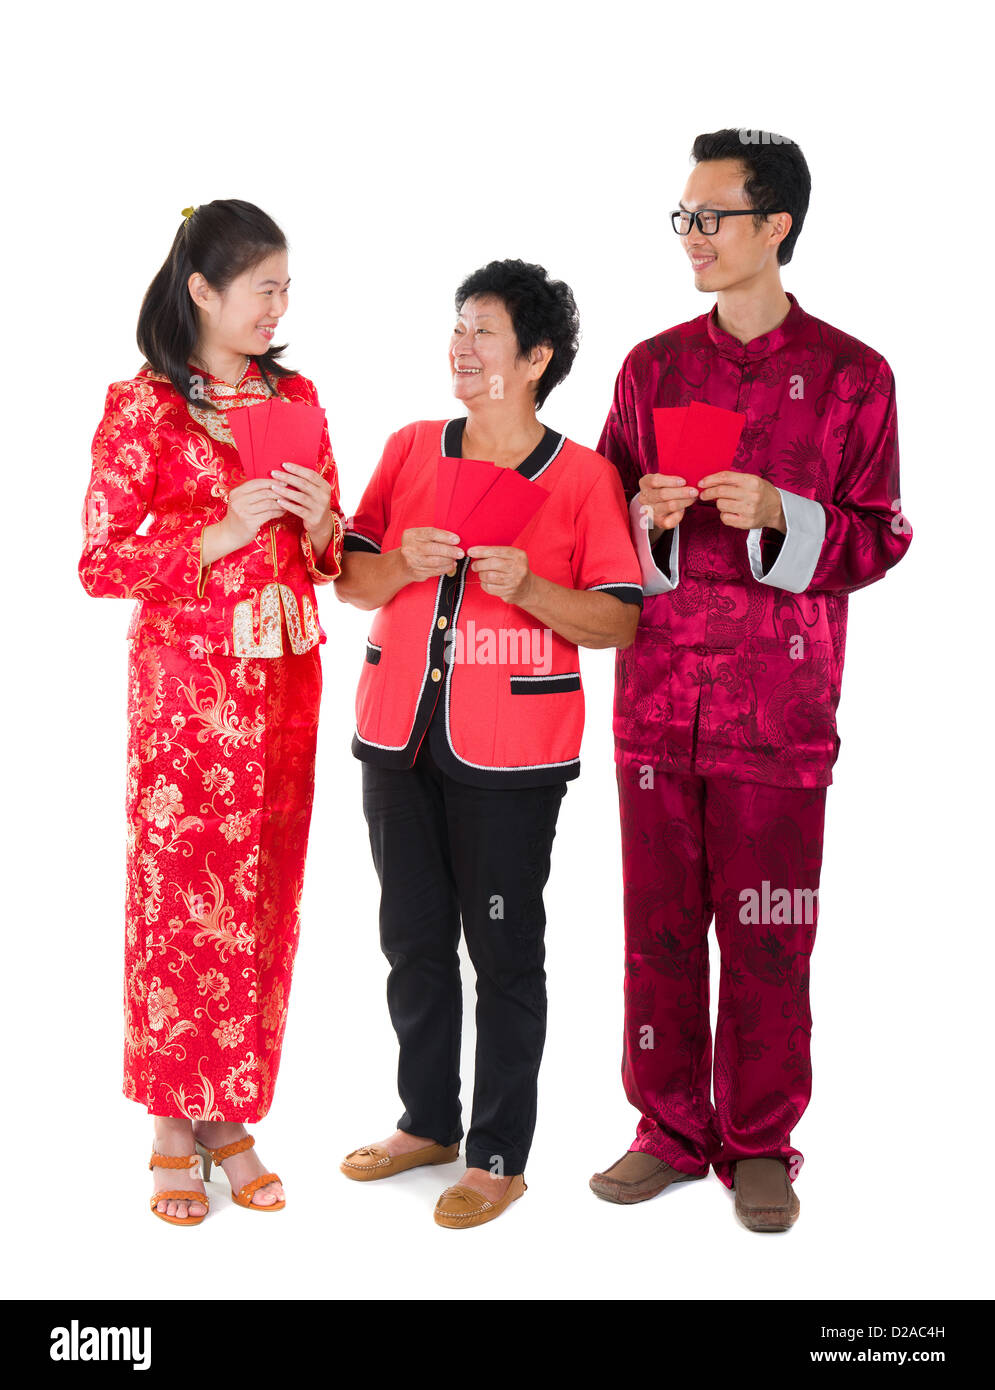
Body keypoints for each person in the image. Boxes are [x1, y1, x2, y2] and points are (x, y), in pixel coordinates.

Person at [590, 129, 912, 1230]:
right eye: (682, 217)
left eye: (710, 216)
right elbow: (595, 529)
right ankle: (666, 1127)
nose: (691, 236)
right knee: (656, 930)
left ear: (774, 225)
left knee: (770, 932)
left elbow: (882, 536)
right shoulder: (649, 368)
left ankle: (759, 1137)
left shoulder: (852, 376)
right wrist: (646, 518)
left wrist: (785, 514)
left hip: (777, 715)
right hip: (654, 704)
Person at [335, 259, 643, 1228]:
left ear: (536, 356)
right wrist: (393, 564)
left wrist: (530, 590)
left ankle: (499, 1154)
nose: (460, 348)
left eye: (483, 334)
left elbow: (618, 621)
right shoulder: (410, 446)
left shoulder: (584, 475)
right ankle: (426, 1118)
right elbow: (346, 576)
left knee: (503, 950)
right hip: (396, 730)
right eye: (456, 328)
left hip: (512, 752)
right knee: (410, 939)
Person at [79, 199, 345, 1225]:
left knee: (261, 898)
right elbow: (101, 561)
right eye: (264, 286)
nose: (281, 306)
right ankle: (169, 1119)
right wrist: (218, 528)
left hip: (286, 682)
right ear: (202, 290)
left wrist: (324, 522)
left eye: (286, 287)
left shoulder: (299, 393)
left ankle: (229, 1108)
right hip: (188, 694)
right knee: (179, 896)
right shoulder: (142, 406)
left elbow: (330, 549)